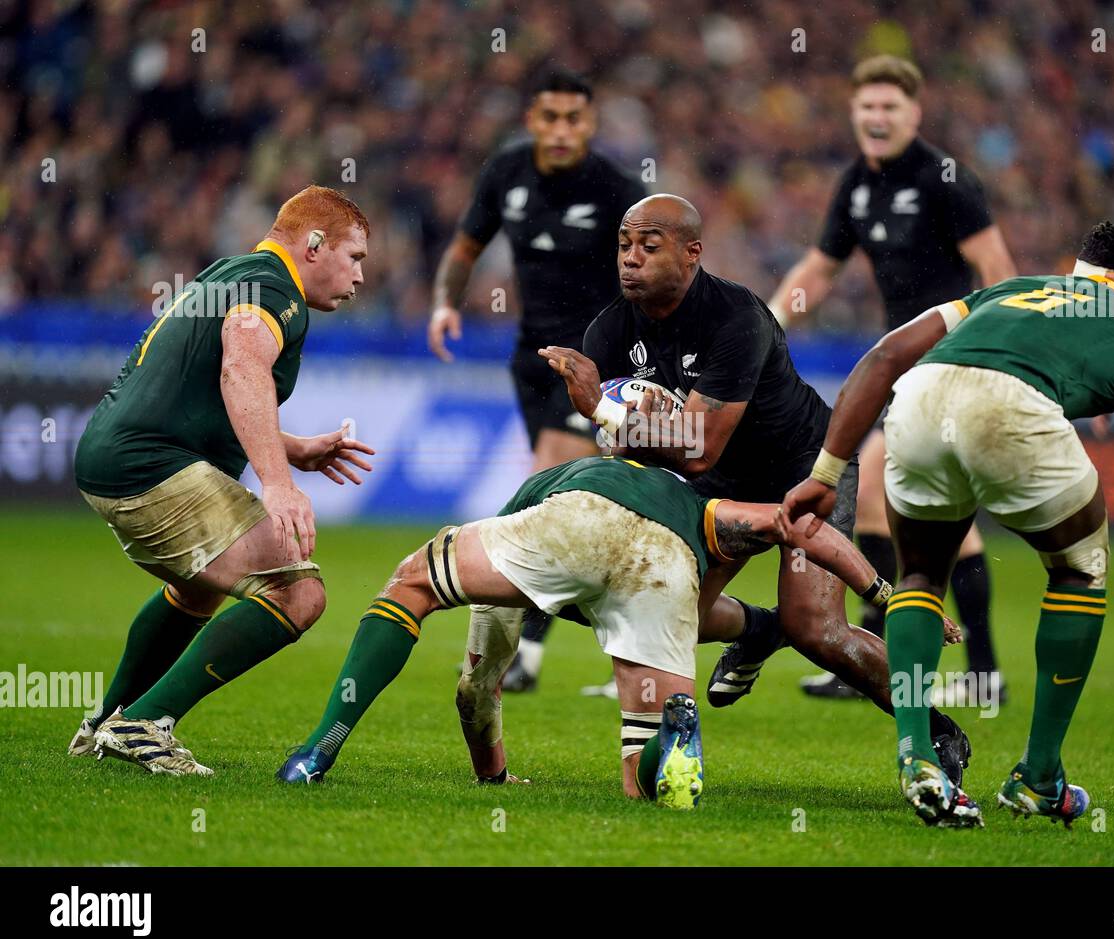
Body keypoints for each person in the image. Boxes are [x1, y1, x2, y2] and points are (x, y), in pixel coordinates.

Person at [780, 222, 1114, 828]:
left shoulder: (1008, 292)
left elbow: (886, 357)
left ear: (1077, 271)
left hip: (921, 396)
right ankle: (1039, 776)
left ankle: (917, 755)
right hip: (1013, 406)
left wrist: (826, 471)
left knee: (921, 572)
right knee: (1082, 568)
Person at [538, 193, 973, 786]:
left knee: (816, 629)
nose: (629, 259)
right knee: (666, 615)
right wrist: (616, 436)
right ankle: (758, 630)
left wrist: (604, 411)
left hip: (808, 471)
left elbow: (699, 447)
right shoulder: (610, 330)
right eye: (623, 245)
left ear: (692, 253)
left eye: (648, 245)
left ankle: (936, 732)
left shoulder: (735, 319)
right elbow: (635, 450)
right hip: (718, 487)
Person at [276, 455, 941, 806]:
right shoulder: (699, 499)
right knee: (636, 774)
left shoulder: (554, 484)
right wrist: (879, 590)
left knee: (412, 584)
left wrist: (493, 778)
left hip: (575, 524)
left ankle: (318, 751)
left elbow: (476, 695)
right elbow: (797, 527)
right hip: (666, 570)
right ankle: (667, 742)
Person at [71, 186, 375, 776]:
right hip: (152, 465)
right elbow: (241, 364)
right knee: (298, 593)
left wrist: (293, 448)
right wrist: (278, 481)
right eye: (355, 256)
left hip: (116, 457)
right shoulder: (274, 289)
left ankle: (106, 721)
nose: (361, 275)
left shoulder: (233, 273)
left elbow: (206, 392)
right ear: (314, 244)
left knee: (198, 590)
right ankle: (145, 723)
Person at [769, 55, 1017, 700]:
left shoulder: (945, 178)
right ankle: (963, 670)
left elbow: (996, 270)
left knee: (881, 488)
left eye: (890, 108)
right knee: (914, 510)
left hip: (952, 364)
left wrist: (997, 356)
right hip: (903, 371)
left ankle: (900, 658)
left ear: (915, 114)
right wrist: (769, 323)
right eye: (867, 108)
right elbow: (820, 269)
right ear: (854, 114)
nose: (877, 119)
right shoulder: (856, 183)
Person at [426, 68, 645, 692]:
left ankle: (523, 654)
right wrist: (446, 303)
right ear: (531, 120)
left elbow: (652, 272)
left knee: (546, 490)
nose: (559, 131)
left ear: (591, 124)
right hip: (530, 357)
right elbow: (466, 248)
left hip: (595, 363)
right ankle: (632, 646)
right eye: (548, 117)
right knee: (586, 505)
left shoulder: (615, 189)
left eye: (573, 119)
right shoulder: (505, 173)